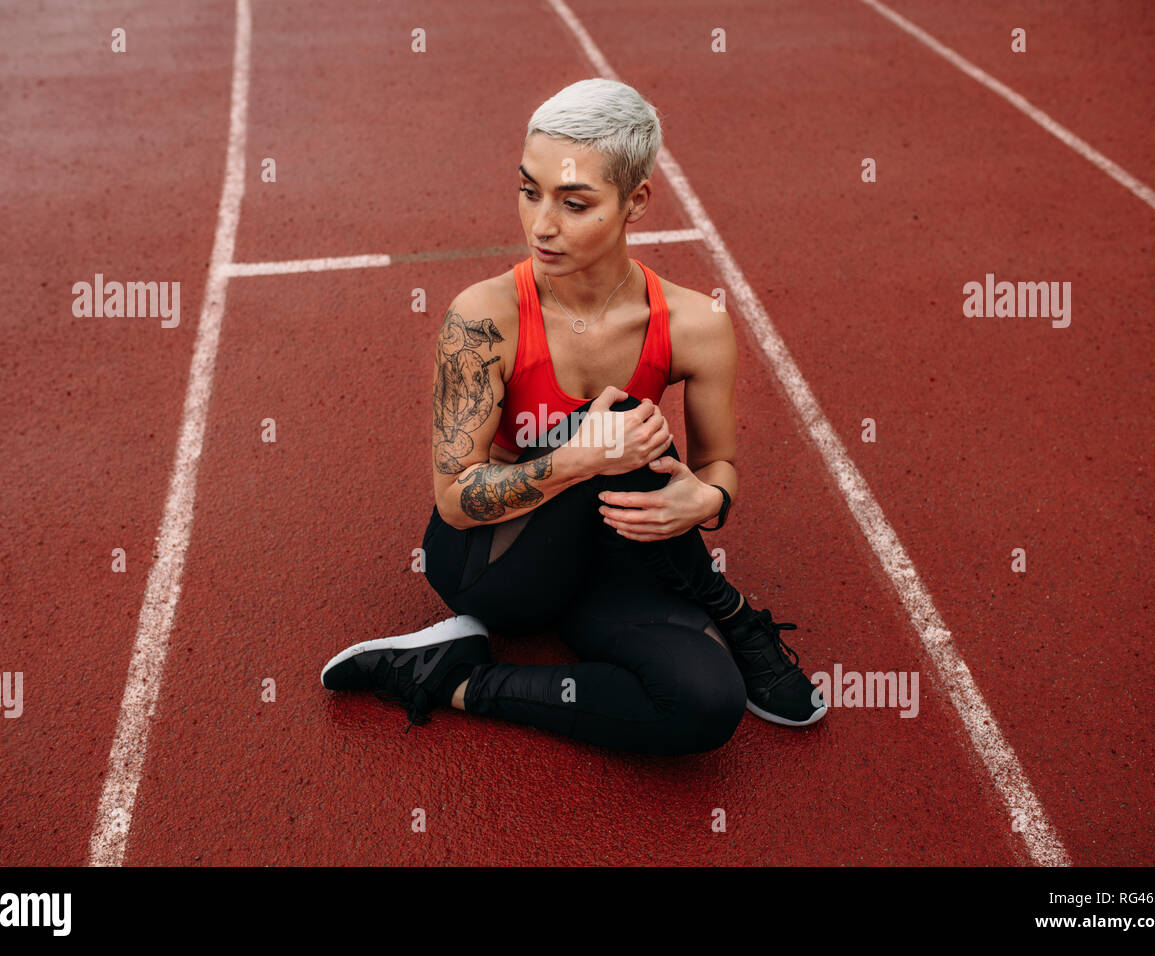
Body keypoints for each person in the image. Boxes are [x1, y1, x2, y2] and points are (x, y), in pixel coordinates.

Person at [321, 78, 825, 755]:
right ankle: (728, 610)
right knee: (624, 425)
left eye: (574, 202)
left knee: (706, 705)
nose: (541, 225)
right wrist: (582, 456)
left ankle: (452, 681)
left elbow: (717, 466)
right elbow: (455, 501)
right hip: (498, 564)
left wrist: (706, 498)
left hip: (612, 564)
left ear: (636, 201)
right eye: (530, 191)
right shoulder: (485, 317)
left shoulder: (694, 324)